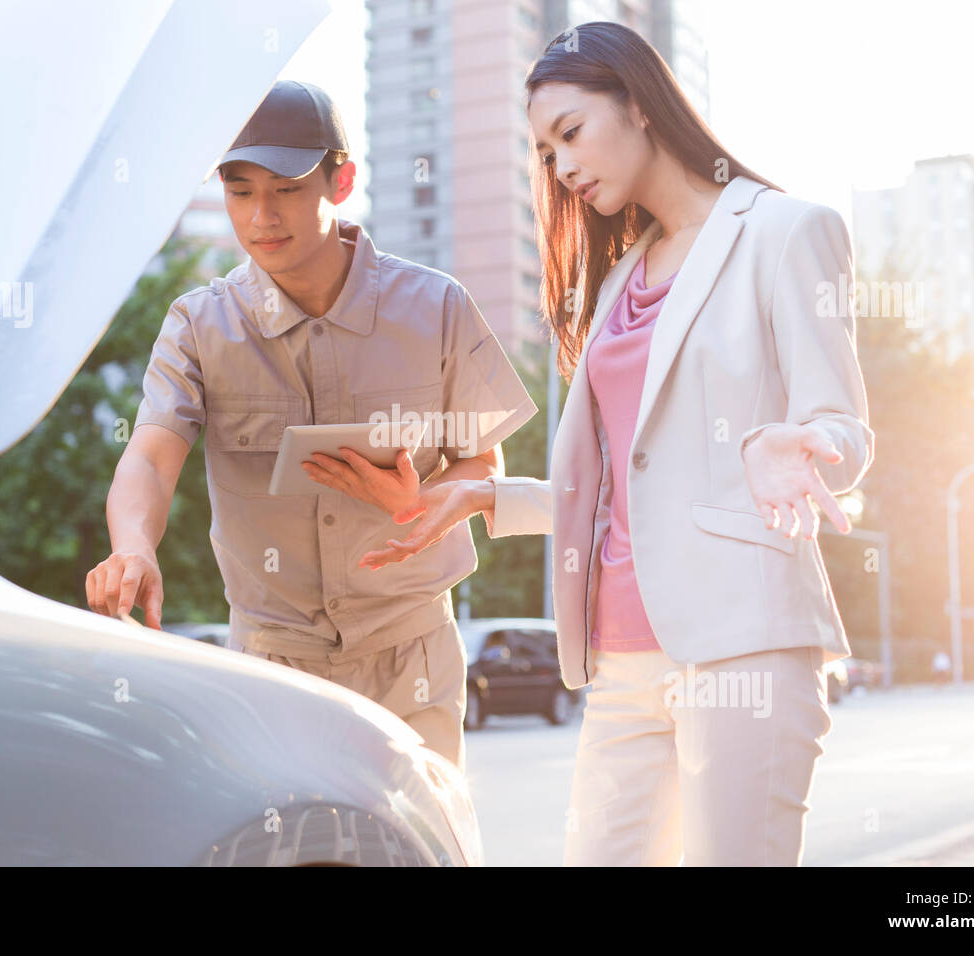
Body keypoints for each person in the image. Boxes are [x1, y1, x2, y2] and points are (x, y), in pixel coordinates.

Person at [351, 23, 875, 865]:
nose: (560, 167)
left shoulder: (784, 231)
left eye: (570, 133)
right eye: (544, 151)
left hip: (741, 640)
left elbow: (843, 429)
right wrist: (485, 496)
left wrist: (797, 444)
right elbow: (625, 480)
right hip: (622, 657)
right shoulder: (623, 278)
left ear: (637, 104)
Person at [85, 81, 538, 772]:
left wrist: (419, 505)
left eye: (286, 188)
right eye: (240, 191)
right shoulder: (198, 326)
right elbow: (150, 456)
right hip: (272, 665)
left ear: (342, 179)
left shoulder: (437, 308)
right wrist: (134, 546)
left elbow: (484, 465)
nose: (261, 216)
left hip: (411, 652)